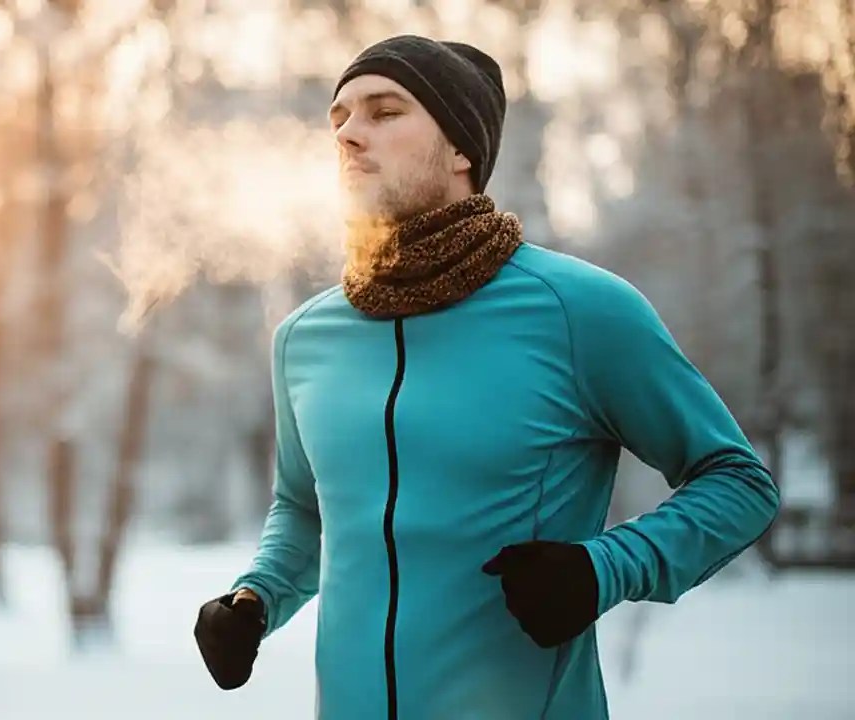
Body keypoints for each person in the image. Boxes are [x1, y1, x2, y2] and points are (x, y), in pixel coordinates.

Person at [192, 35, 780, 719]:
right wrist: (255, 597)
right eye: (340, 118)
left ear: (462, 150)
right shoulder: (304, 338)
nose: (350, 134)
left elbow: (739, 482)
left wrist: (603, 569)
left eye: (385, 112)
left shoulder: (578, 310)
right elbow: (305, 508)